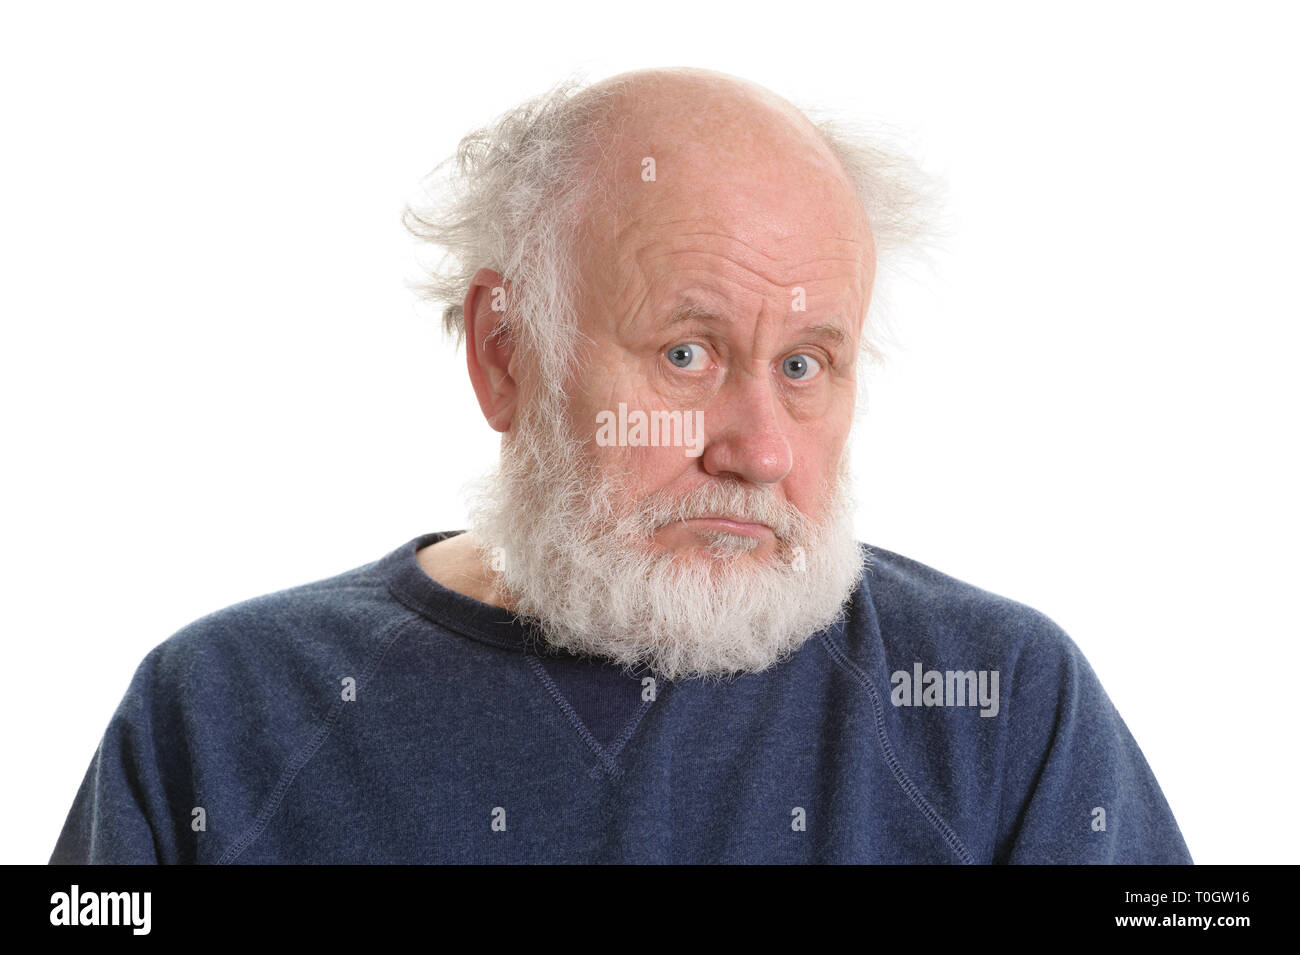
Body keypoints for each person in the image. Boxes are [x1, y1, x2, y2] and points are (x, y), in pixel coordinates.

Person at [50, 67, 1192, 864]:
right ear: (507, 355)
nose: (757, 449)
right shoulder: (217, 714)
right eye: (685, 353)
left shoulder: (1003, 708)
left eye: (804, 363)